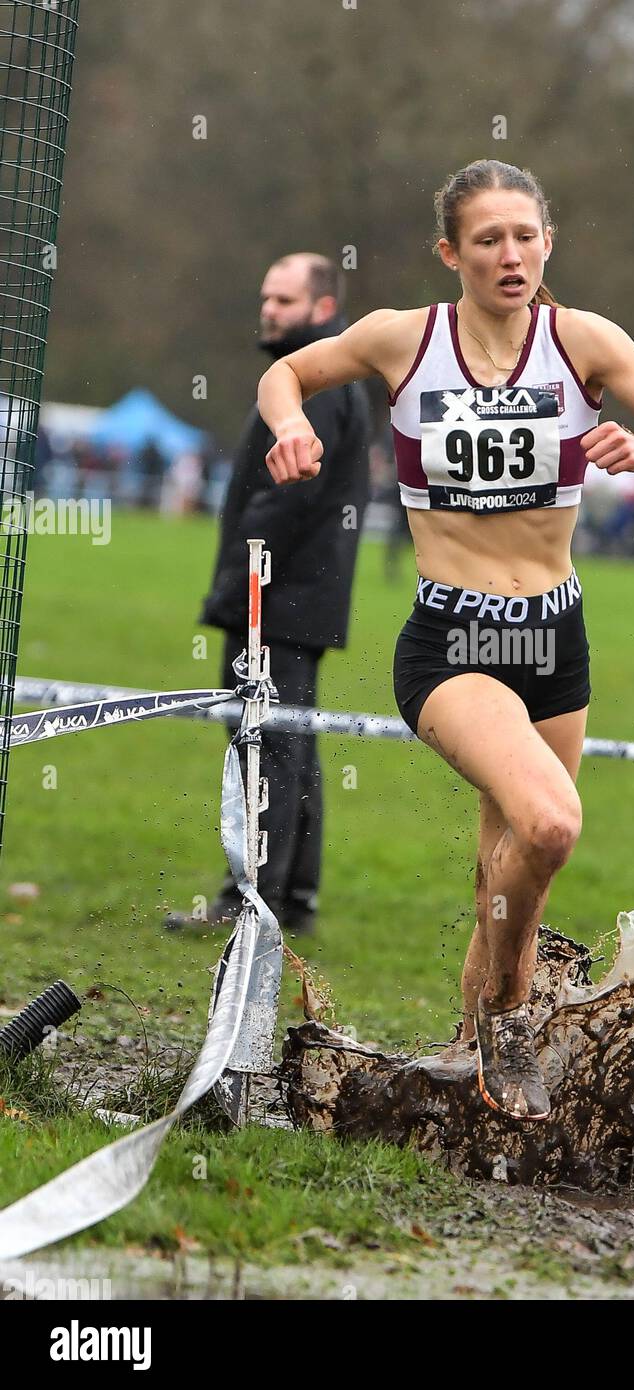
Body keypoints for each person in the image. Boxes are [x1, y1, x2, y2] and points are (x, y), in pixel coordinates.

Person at [257, 159, 634, 1119]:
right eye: (487, 239)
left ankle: (471, 1066)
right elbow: (287, 370)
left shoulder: (584, 341)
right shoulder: (404, 339)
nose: (509, 255)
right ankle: (514, 1009)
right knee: (550, 824)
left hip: (555, 639)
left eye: (524, 236)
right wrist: (288, 426)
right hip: (452, 641)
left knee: (505, 878)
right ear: (452, 253)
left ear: (546, 243)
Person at [165, 252, 370, 936]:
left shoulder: (319, 381)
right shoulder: (322, 376)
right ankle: (293, 898)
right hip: (292, 601)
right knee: (289, 747)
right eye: (266, 297)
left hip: (275, 601)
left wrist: (235, 586)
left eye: (282, 300)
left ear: (320, 308)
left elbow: (285, 502)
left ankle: (252, 900)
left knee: (266, 748)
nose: (268, 309)